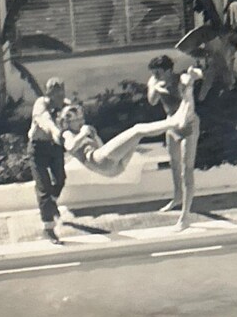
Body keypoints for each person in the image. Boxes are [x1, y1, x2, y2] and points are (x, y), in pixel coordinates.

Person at [59, 100, 192, 177]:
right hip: (99, 162)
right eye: (76, 120)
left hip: (113, 168)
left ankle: (175, 120)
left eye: (81, 118)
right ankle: (175, 121)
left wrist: (94, 137)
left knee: (138, 135)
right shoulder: (67, 133)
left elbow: (102, 148)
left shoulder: (84, 131)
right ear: (68, 123)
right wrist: (83, 134)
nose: (81, 122)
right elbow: (70, 147)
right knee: (137, 129)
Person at [146, 56, 203, 230]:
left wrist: (194, 74)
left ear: (169, 71)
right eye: (154, 73)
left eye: (159, 72)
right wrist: (154, 86)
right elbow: (152, 101)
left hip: (188, 124)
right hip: (171, 123)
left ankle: (185, 217)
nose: (156, 75)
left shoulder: (180, 79)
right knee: (174, 164)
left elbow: (194, 76)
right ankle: (178, 197)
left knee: (187, 169)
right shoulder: (156, 81)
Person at [27, 76, 68, 243]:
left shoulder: (65, 105)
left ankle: (52, 203)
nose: (60, 98)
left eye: (61, 94)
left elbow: (75, 119)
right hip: (38, 149)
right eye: (56, 95)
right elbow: (46, 121)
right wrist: (55, 132)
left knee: (60, 179)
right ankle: (48, 228)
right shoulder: (40, 105)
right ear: (48, 94)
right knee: (44, 187)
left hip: (55, 148)